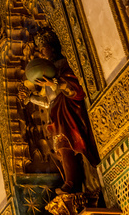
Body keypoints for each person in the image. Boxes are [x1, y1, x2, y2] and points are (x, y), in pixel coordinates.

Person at [26, 30, 100, 195]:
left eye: (44, 48)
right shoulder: (47, 73)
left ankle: (71, 182)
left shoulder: (63, 65)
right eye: (40, 50)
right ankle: (71, 181)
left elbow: (74, 89)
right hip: (55, 113)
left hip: (68, 110)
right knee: (60, 148)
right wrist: (31, 98)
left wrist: (54, 83)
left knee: (65, 143)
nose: (42, 52)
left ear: (52, 48)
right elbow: (48, 102)